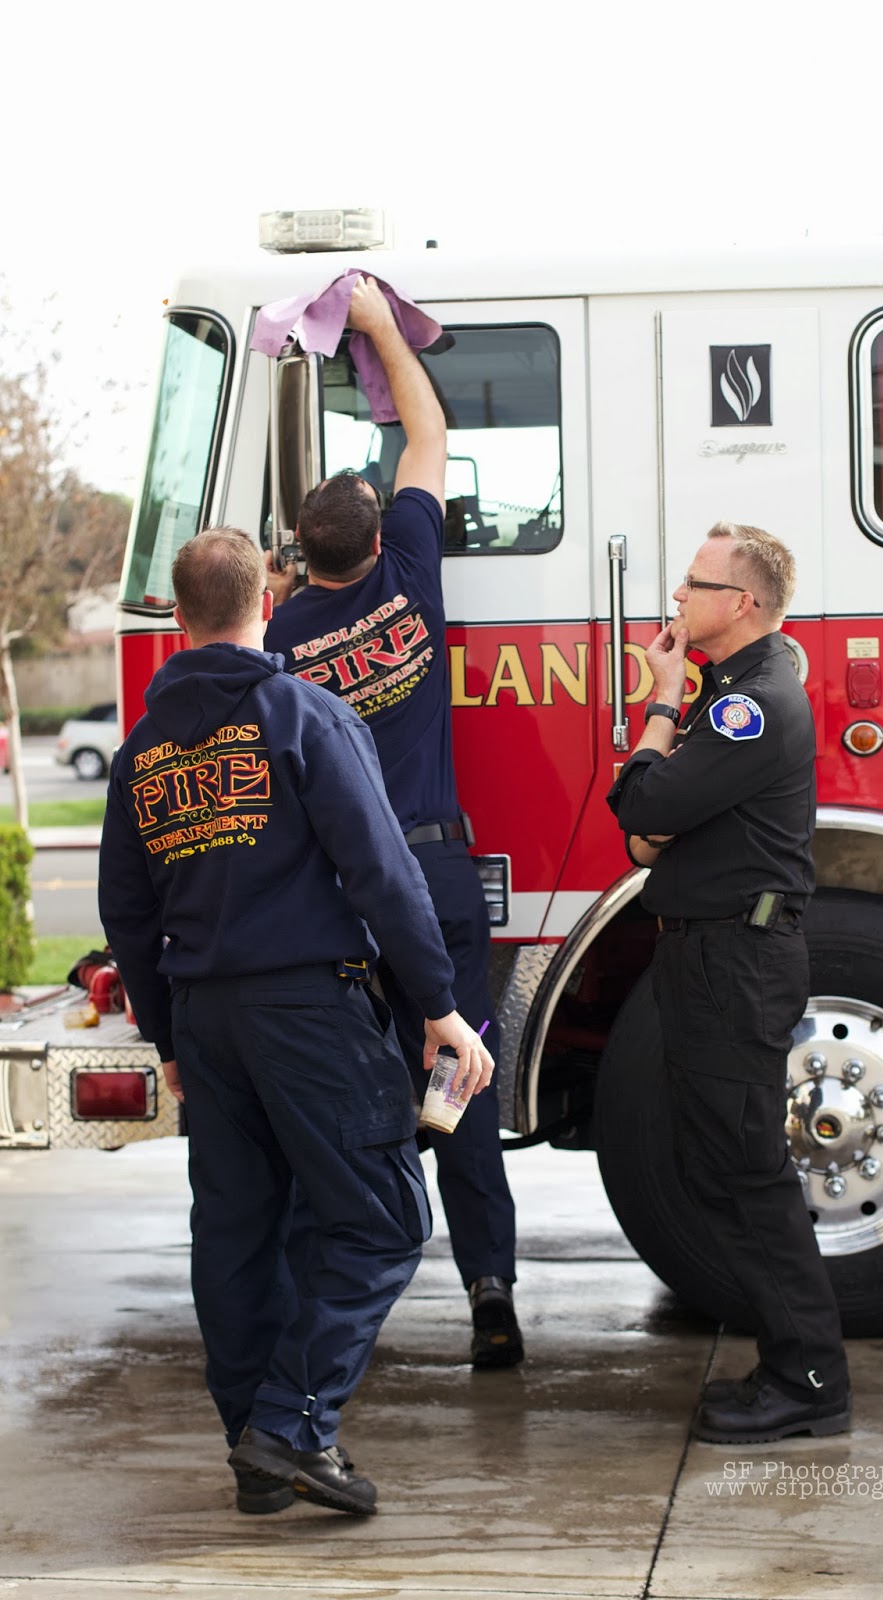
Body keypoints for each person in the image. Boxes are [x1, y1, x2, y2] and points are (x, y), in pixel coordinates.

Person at [99, 528, 494, 1516]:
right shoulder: (302, 715)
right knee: (385, 1215)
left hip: (207, 1018)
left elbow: (128, 914)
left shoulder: (140, 753)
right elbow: (381, 870)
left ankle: (255, 1444)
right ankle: (294, 1419)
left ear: (178, 622)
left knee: (237, 1233)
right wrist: (439, 1005)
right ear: (264, 602)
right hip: (307, 1011)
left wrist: (168, 1038)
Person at [264, 273, 522, 1368]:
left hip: (344, 911)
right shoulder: (413, 579)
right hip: (440, 882)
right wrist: (373, 320)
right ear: (380, 543)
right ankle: (491, 1298)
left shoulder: (280, 646)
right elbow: (426, 426)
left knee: (354, 1117)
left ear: (300, 558)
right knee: (455, 1090)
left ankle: (339, 1328)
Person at [606, 521, 850, 1445]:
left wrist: (663, 704)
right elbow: (644, 838)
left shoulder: (751, 706)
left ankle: (812, 1382)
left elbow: (644, 806)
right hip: (715, 959)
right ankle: (792, 1369)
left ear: (739, 604)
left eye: (692, 584)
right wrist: (658, 800)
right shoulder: (742, 696)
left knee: (750, 1176)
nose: (676, 599)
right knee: (728, 1170)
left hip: (732, 963)